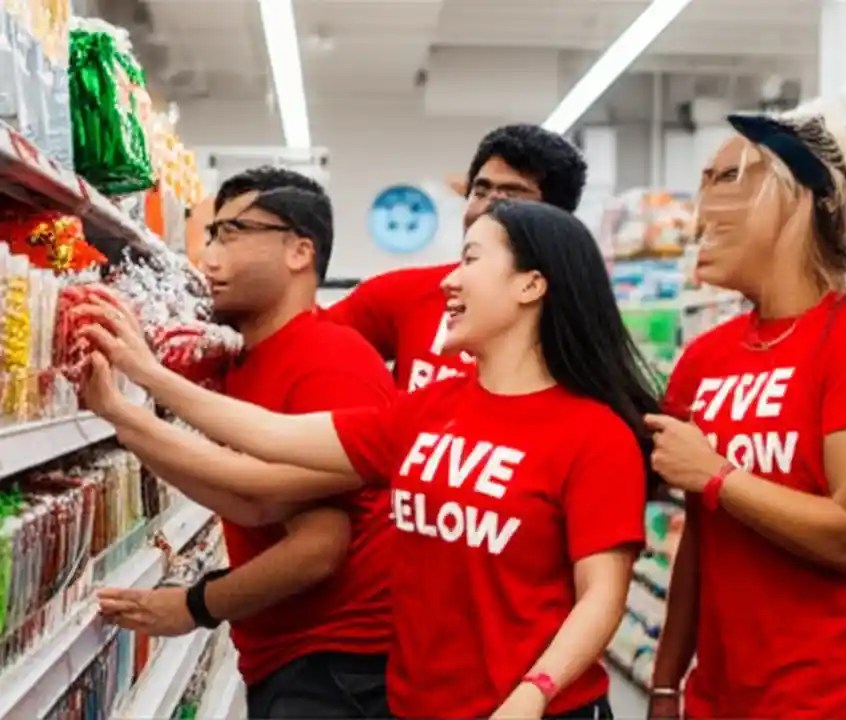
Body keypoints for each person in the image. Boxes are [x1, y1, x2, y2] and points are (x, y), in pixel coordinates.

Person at [82, 199, 656, 720]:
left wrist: (533, 695)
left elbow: (602, 597)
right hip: (415, 706)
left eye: (472, 260)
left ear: (531, 285)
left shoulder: (594, 434)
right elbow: (272, 435)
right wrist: (139, 382)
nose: (450, 281)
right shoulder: (429, 409)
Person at [644, 112, 846, 719]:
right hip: (721, 697)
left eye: (728, 178)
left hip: (842, 697)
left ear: (793, 198)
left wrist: (719, 476)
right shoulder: (704, 359)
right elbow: (701, 536)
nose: (703, 207)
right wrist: (668, 679)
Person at [94, 167, 397, 718]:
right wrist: (121, 415)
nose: (209, 258)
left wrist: (195, 605)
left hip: (339, 668)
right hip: (298, 661)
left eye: (231, 235)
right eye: (211, 236)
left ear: (299, 251)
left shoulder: (330, 360)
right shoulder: (252, 358)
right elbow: (252, 500)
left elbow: (318, 546)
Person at [322, 124, 588, 391]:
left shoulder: (580, 321)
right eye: (480, 191)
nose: (486, 206)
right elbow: (309, 345)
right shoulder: (408, 294)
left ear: (557, 218)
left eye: (511, 195)